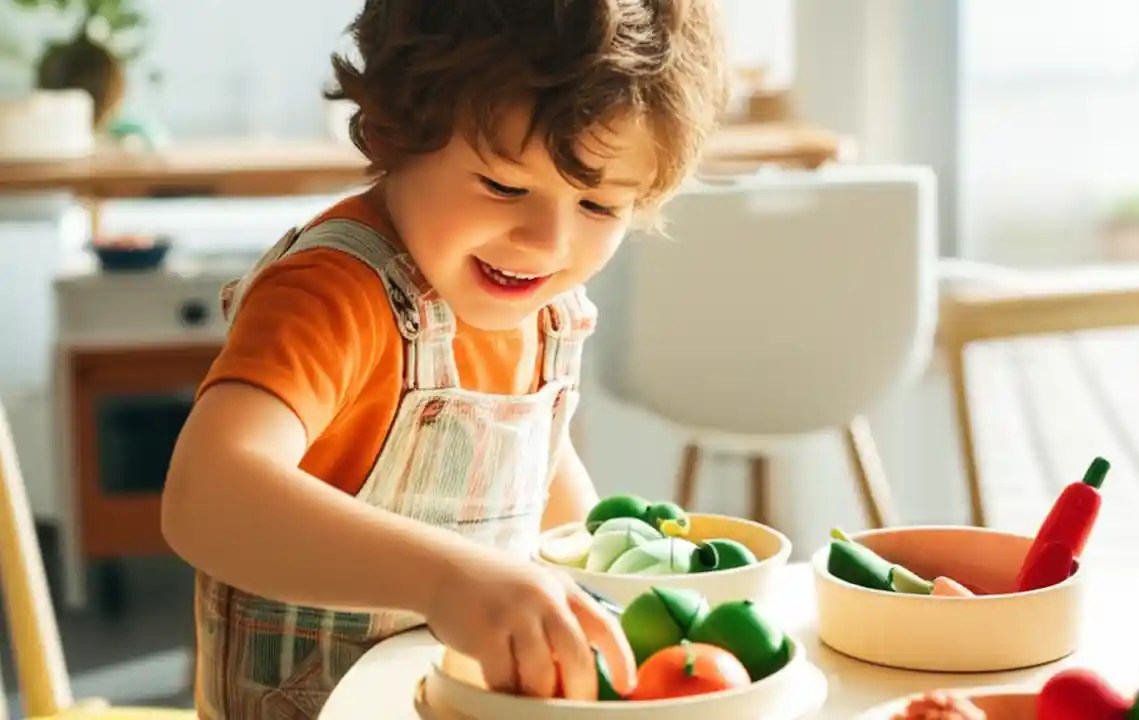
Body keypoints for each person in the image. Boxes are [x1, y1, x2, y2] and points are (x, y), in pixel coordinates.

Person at [160, 1, 727, 717]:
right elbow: (204, 499)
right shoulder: (335, 293)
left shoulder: (546, 307)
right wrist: (447, 581)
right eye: (505, 187)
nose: (547, 243)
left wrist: (597, 585)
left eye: (599, 206)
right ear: (400, 130)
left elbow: (536, 471)